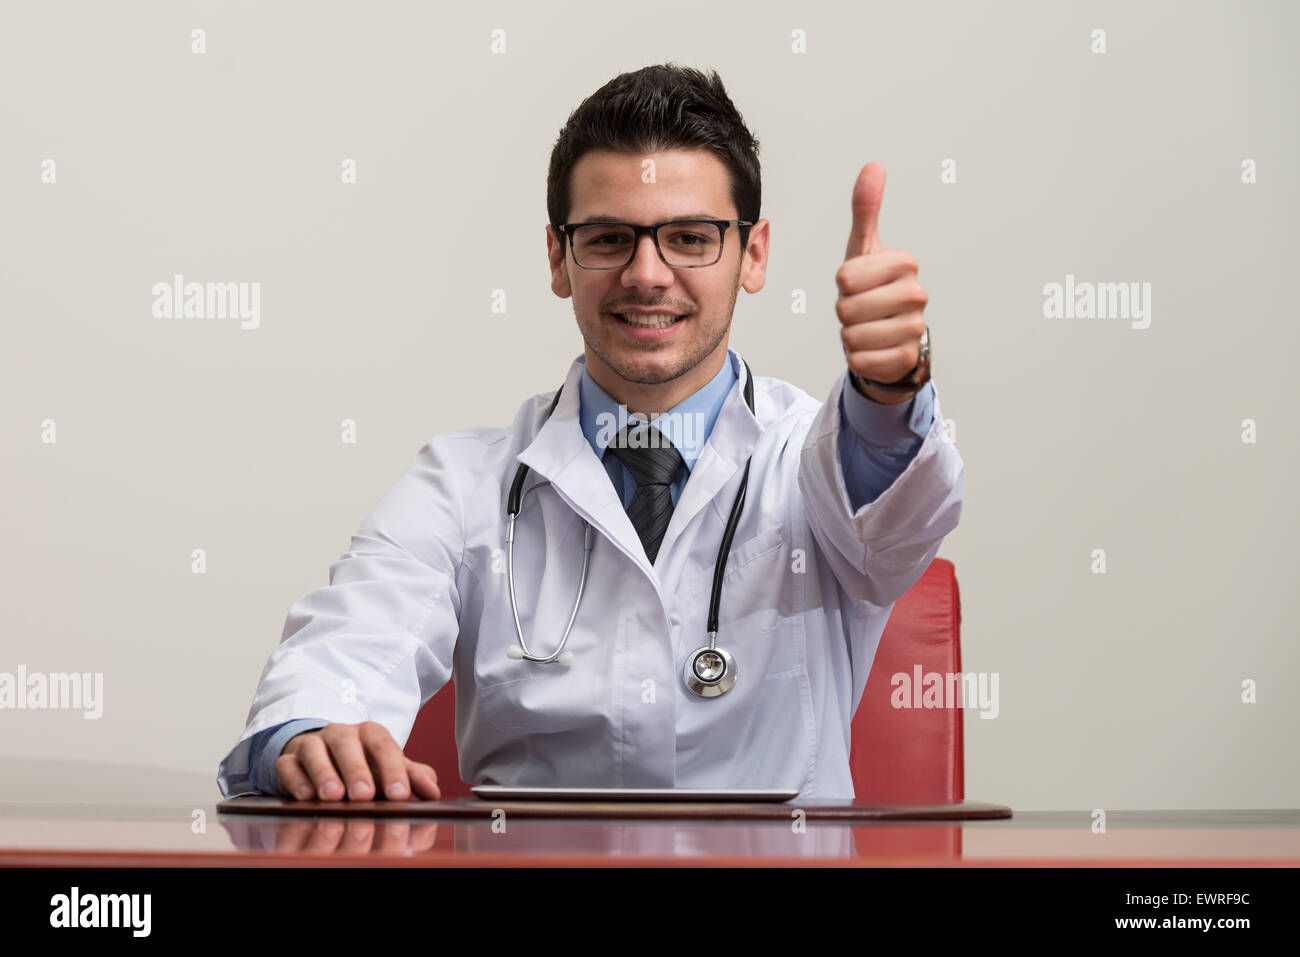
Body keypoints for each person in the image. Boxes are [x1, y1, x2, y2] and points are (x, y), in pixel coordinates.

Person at [217, 63, 963, 803]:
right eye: (608, 238)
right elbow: (352, 640)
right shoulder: (461, 483)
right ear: (557, 257)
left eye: (690, 237)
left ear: (754, 253)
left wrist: (889, 386)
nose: (647, 273)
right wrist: (312, 733)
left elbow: (886, 501)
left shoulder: (811, 457)